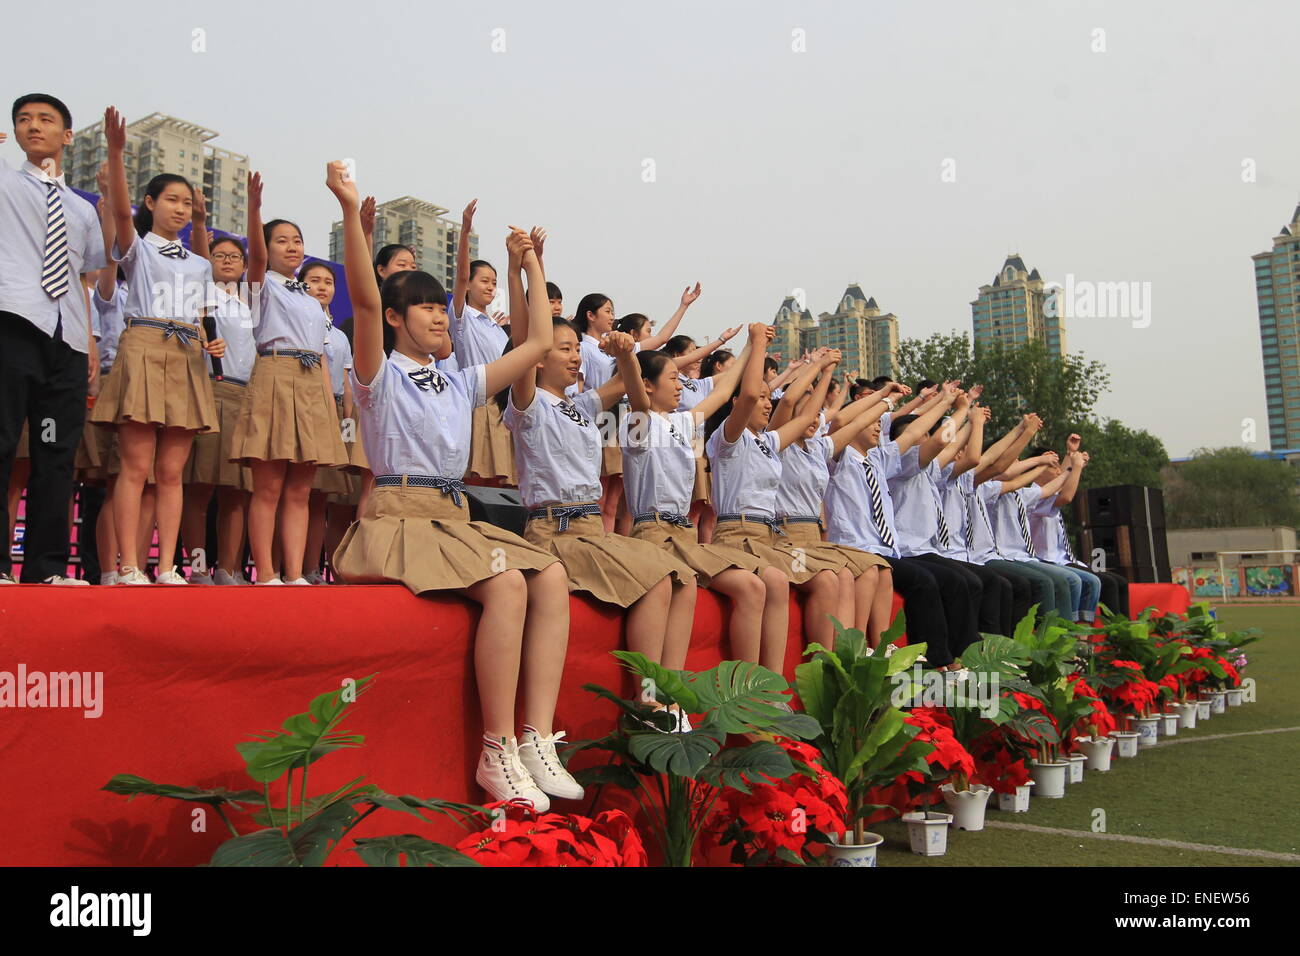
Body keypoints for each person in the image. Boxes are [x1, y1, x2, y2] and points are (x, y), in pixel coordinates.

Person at [326, 162, 580, 810]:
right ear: (397, 317)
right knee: (503, 582)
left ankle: (534, 738)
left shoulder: (461, 380)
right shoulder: (377, 374)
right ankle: (495, 749)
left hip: (452, 515)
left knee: (547, 575)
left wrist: (528, 265)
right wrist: (351, 209)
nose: (440, 319)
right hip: (399, 518)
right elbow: (361, 299)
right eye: (426, 309)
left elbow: (539, 341)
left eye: (444, 308)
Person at [503, 313, 696, 728]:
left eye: (577, 348)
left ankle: (668, 693)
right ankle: (647, 701)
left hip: (593, 531)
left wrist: (628, 354)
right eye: (564, 349)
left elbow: (630, 391)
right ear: (538, 358)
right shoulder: (529, 403)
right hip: (556, 532)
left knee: (682, 578)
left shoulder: (581, 405)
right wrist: (526, 262)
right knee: (658, 580)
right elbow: (528, 338)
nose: (576, 357)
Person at [90, 107, 226, 586]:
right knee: (135, 466)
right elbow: (121, 213)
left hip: (187, 354)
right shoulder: (138, 246)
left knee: (172, 472)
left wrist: (212, 343)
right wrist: (116, 152)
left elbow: (205, 314)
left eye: (187, 202)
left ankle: (166, 566)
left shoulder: (200, 264)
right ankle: (128, 565)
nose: (181, 209)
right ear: (151, 202)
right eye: (172, 200)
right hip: (144, 344)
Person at [619, 327, 786, 674]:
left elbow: (725, 388)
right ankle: (651, 697)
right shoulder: (638, 424)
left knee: (752, 587)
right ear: (649, 384)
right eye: (672, 378)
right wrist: (625, 358)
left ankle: (741, 688)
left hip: (686, 538)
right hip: (654, 535)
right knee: (671, 584)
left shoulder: (683, 422)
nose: (681, 385)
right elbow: (637, 398)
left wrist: (752, 346)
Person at [0, 96, 106, 585]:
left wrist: (89, 342)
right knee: (2, 445)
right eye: (23, 119)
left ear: (67, 136)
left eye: (45, 120)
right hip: (14, 326)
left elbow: (85, 280)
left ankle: (44, 569)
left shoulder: (82, 211)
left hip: (67, 344)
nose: (32, 126)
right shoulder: (4, 181)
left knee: (55, 453)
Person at [229, 170, 347, 585]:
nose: (292, 247)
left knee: (300, 489)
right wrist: (255, 208)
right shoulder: (260, 284)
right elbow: (257, 258)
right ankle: (265, 572)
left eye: (296, 240)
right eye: (282, 240)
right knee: (268, 486)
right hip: (276, 374)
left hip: (313, 380)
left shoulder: (308, 295)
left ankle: (295, 573)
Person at [703, 332, 846, 670]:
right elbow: (752, 391)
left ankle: (822, 671)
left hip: (770, 542)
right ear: (736, 403)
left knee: (827, 576)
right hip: (736, 539)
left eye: (770, 398)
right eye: (762, 398)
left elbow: (805, 415)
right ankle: (760, 683)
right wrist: (757, 343)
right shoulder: (727, 439)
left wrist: (822, 369)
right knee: (776, 581)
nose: (767, 403)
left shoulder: (767, 442)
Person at [824, 383, 969, 668]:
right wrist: (885, 401)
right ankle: (937, 662)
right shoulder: (839, 459)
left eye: (880, 424)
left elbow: (917, 432)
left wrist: (947, 403)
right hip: (857, 549)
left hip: (885, 551)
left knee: (956, 580)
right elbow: (840, 421)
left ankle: (954, 655)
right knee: (923, 581)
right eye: (872, 423)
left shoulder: (880, 459)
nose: (878, 428)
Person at [775, 371, 906, 636]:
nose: (814, 420)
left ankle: (855, 650)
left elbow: (855, 425)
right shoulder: (778, 443)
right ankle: (828, 658)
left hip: (814, 538)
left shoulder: (817, 449)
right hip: (788, 541)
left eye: (816, 415)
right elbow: (840, 418)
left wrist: (885, 398)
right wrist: (823, 369)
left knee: (866, 572)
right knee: (826, 579)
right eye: (807, 414)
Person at [179, 224, 256, 585]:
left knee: (237, 491)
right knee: (199, 486)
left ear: (244, 265)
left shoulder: (253, 304)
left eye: (234, 257)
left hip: (247, 398)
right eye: (219, 255)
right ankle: (195, 567)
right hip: (210, 390)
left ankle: (229, 567)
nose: (227, 261)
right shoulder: (200, 294)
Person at [451, 199, 515, 486]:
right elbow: (461, 273)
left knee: (500, 481)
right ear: (468, 285)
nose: (490, 287)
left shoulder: (498, 329)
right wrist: (465, 231)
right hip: (476, 401)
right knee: (476, 479)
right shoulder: (462, 317)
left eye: (494, 282)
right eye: (484, 281)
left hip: (502, 405)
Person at [300, 260, 351, 583]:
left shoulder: (342, 335)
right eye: (314, 280)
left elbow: (345, 382)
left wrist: (347, 424)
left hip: (334, 411)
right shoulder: (298, 320)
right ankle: (283, 568)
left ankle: (312, 569)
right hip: (306, 405)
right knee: (297, 491)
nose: (322, 287)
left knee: (321, 498)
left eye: (328, 282)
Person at [1027, 437, 1108, 623]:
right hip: (1044, 559)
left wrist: (1070, 454)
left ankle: (1100, 638)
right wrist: (1075, 467)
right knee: (1082, 581)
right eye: (1053, 465)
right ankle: (1073, 638)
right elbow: (1067, 496)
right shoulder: (1032, 495)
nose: (1058, 470)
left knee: (1109, 581)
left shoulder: (1045, 491)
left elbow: (1061, 482)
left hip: (1059, 559)